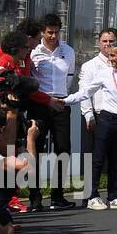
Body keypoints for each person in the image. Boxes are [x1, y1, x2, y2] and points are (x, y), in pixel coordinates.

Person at [63, 41, 117, 210]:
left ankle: (114, 196)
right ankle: (92, 196)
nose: (110, 58)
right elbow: (85, 92)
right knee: (98, 159)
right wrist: (65, 101)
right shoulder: (104, 73)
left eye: (113, 55)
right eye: (108, 55)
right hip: (106, 120)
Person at [28, 13, 75, 211]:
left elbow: (70, 77)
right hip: (39, 104)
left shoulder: (68, 51)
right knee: (35, 150)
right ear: (42, 32)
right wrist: (45, 99)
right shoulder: (33, 52)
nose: (53, 36)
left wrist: (61, 98)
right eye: (49, 33)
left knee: (63, 149)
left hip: (61, 104)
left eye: (56, 32)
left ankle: (57, 195)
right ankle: (35, 197)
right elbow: (29, 79)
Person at [0, 111, 38, 234]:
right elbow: (28, 166)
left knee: (6, 221)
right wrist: (31, 139)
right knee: (7, 230)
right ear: (2, 129)